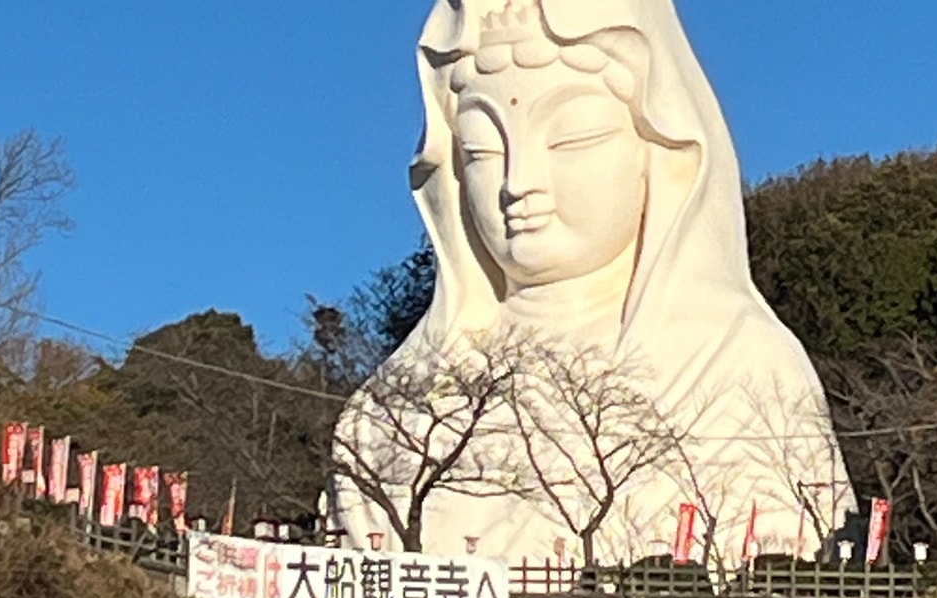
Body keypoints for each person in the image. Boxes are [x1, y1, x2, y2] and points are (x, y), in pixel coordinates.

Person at [327, 0, 855, 564]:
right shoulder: (389, 410)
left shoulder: (738, 366)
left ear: (659, 152)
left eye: (572, 138)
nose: (518, 183)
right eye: (483, 150)